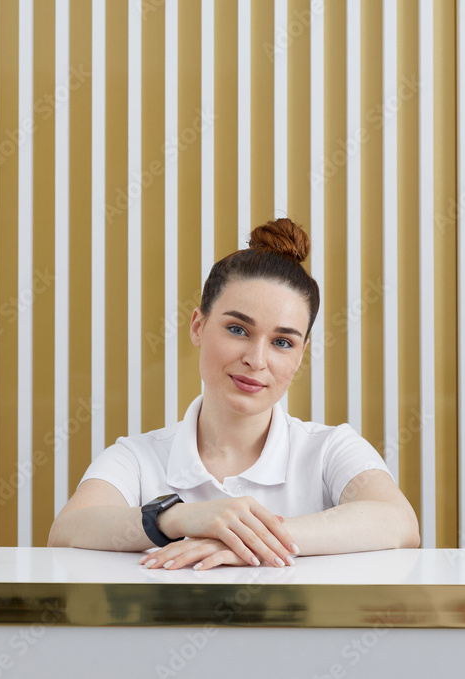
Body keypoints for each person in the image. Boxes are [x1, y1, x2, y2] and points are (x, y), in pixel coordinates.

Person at [48, 218, 420, 570]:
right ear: (198, 326)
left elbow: (400, 524)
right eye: (238, 330)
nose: (256, 360)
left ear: (301, 354)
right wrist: (178, 517)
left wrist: (243, 539)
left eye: (281, 342)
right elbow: (67, 532)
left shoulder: (329, 448)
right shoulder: (137, 457)